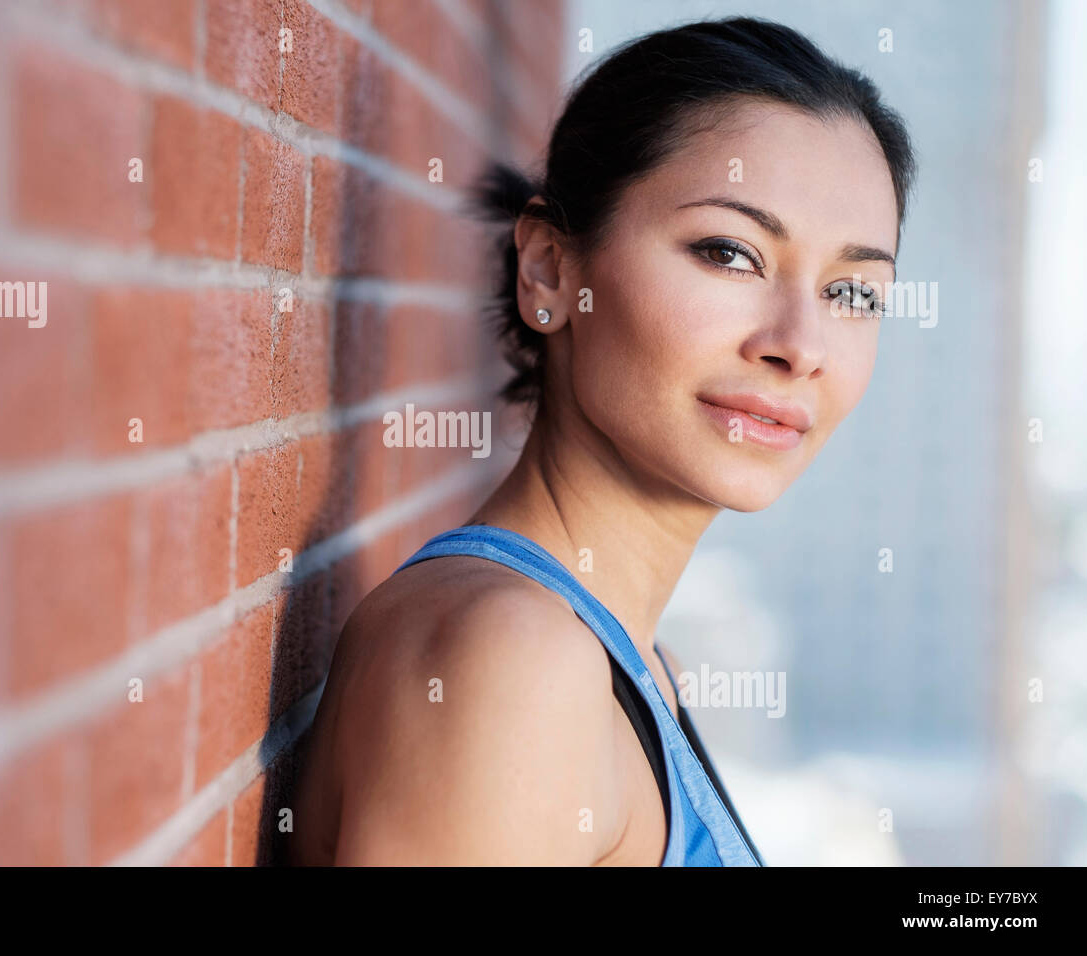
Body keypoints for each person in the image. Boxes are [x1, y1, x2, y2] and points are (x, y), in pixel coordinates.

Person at [289, 15, 917, 866]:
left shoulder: (633, 665)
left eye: (854, 292)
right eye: (730, 253)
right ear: (550, 269)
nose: (799, 345)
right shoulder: (516, 663)